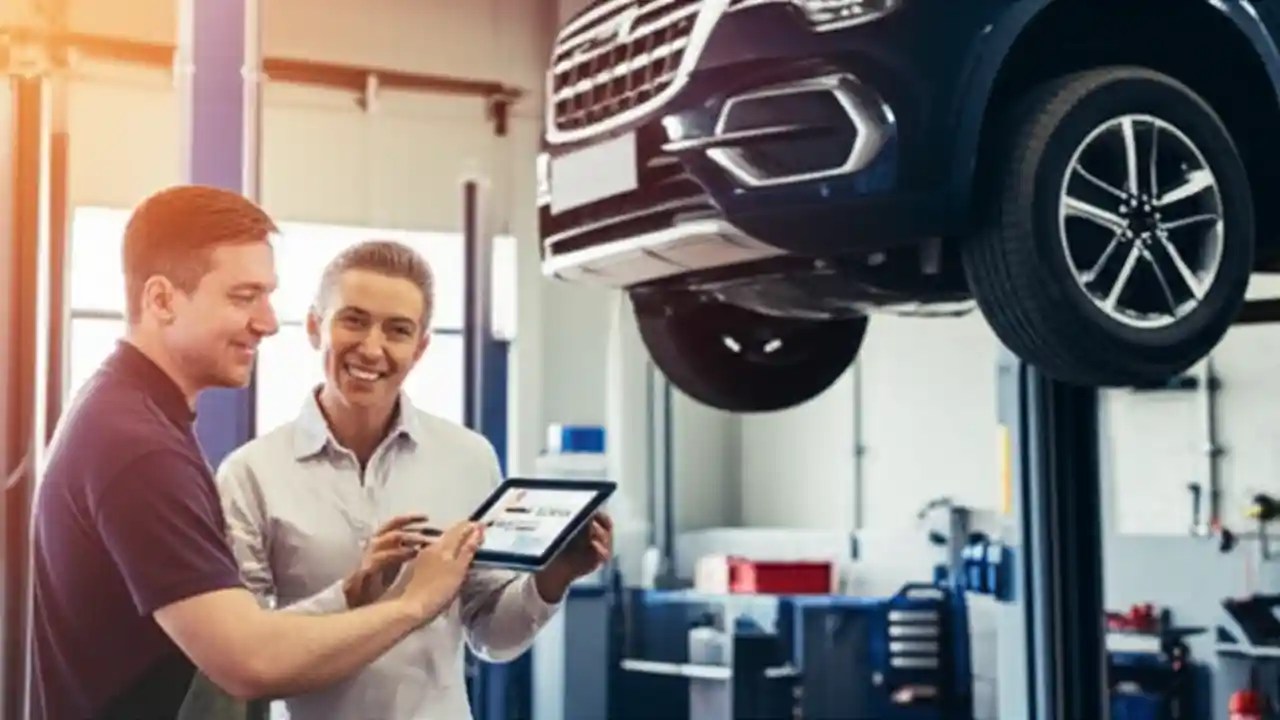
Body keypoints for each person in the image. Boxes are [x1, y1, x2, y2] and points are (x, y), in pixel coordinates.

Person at [29, 186, 485, 720]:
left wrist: (349, 593)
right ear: (161, 300)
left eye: (267, 297)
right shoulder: (139, 448)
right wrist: (415, 602)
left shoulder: (127, 413)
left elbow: (240, 638)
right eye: (243, 297)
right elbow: (248, 662)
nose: (268, 322)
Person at [215, 240, 613, 720]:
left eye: (398, 330)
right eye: (354, 320)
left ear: (420, 347)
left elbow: (491, 635)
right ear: (316, 326)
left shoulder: (468, 457)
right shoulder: (251, 473)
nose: (372, 348)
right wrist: (350, 593)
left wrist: (553, 577)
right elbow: (246, 654)